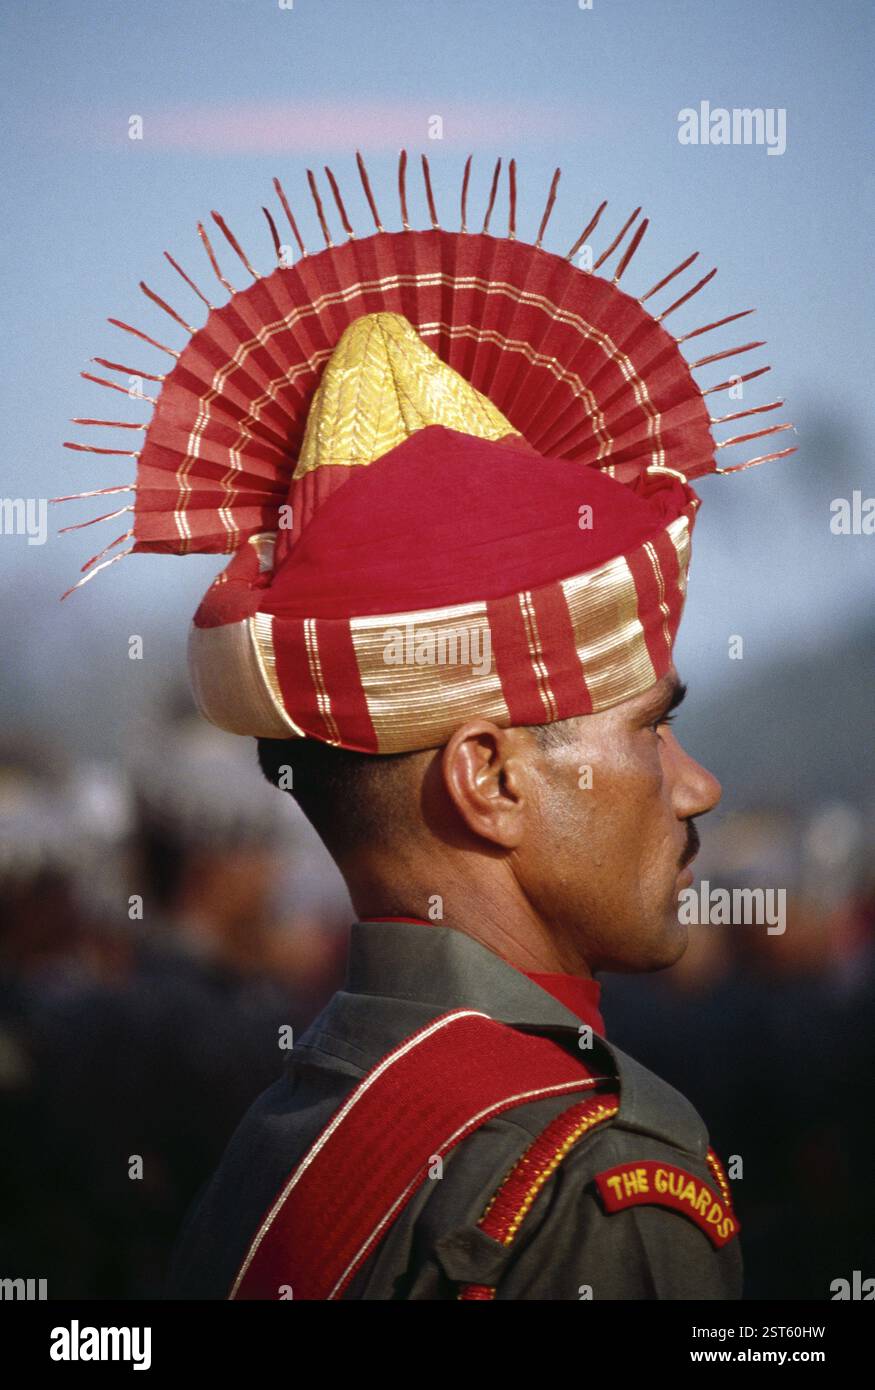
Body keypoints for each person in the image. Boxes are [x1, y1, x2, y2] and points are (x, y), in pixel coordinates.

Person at [61, 153, 794, 1299]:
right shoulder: (594, 1178)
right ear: (488, 778)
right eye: (650, 730)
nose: (695, 785)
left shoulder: (289, 1117)